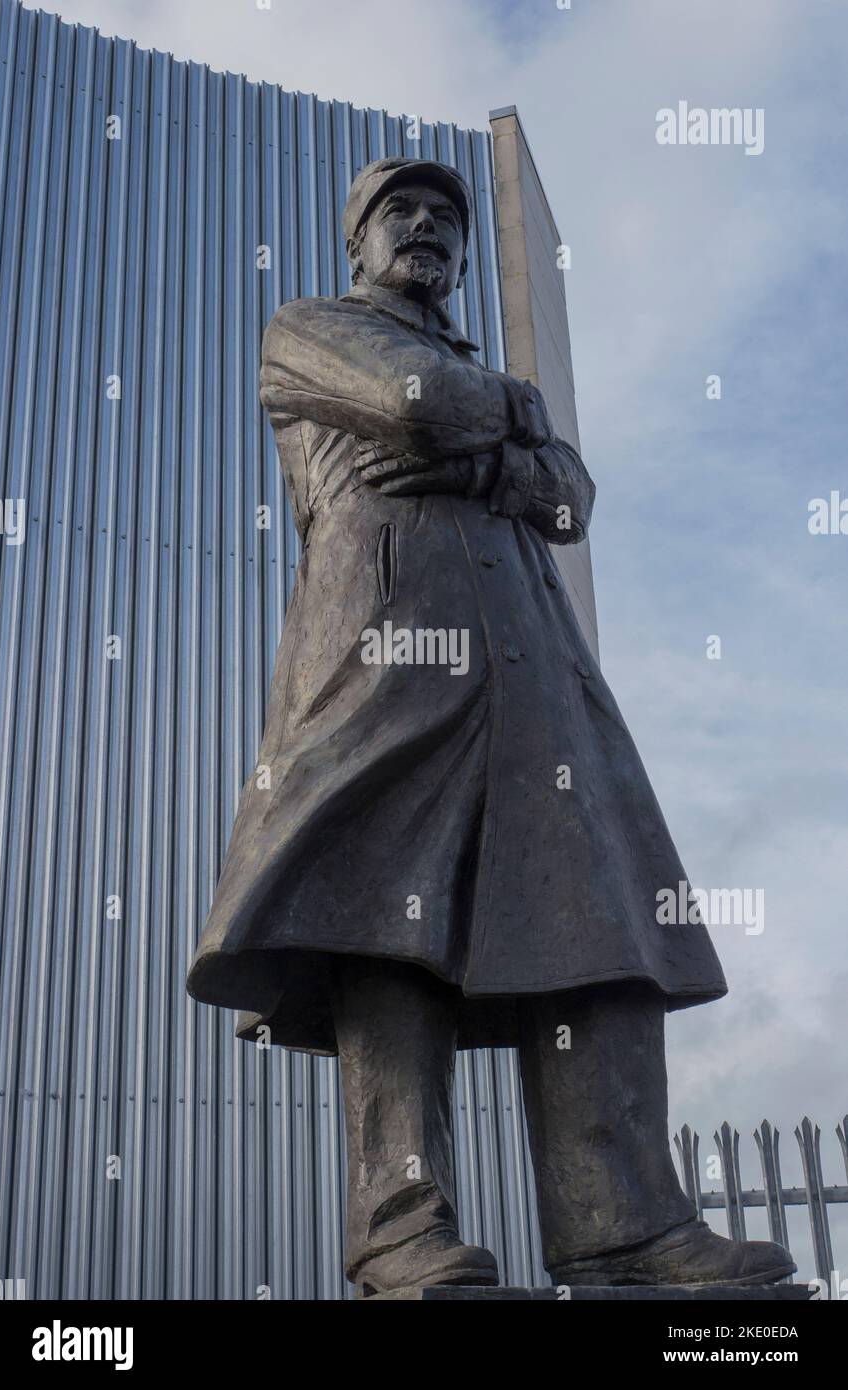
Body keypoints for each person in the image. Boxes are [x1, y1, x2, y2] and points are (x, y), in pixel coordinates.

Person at [187, 156, 794, 1296]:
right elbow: (423, 405)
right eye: (399, 213)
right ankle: (401, 1232)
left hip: (534, 687)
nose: (424, 229)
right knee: (388, 930)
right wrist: (491, 432)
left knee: (600, 926)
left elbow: (567, 497)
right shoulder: (306, 327)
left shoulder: (481, 367)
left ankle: (625, 1226)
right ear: (357, 240)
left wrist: (485, 440)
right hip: (383, 669)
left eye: (444, 219)